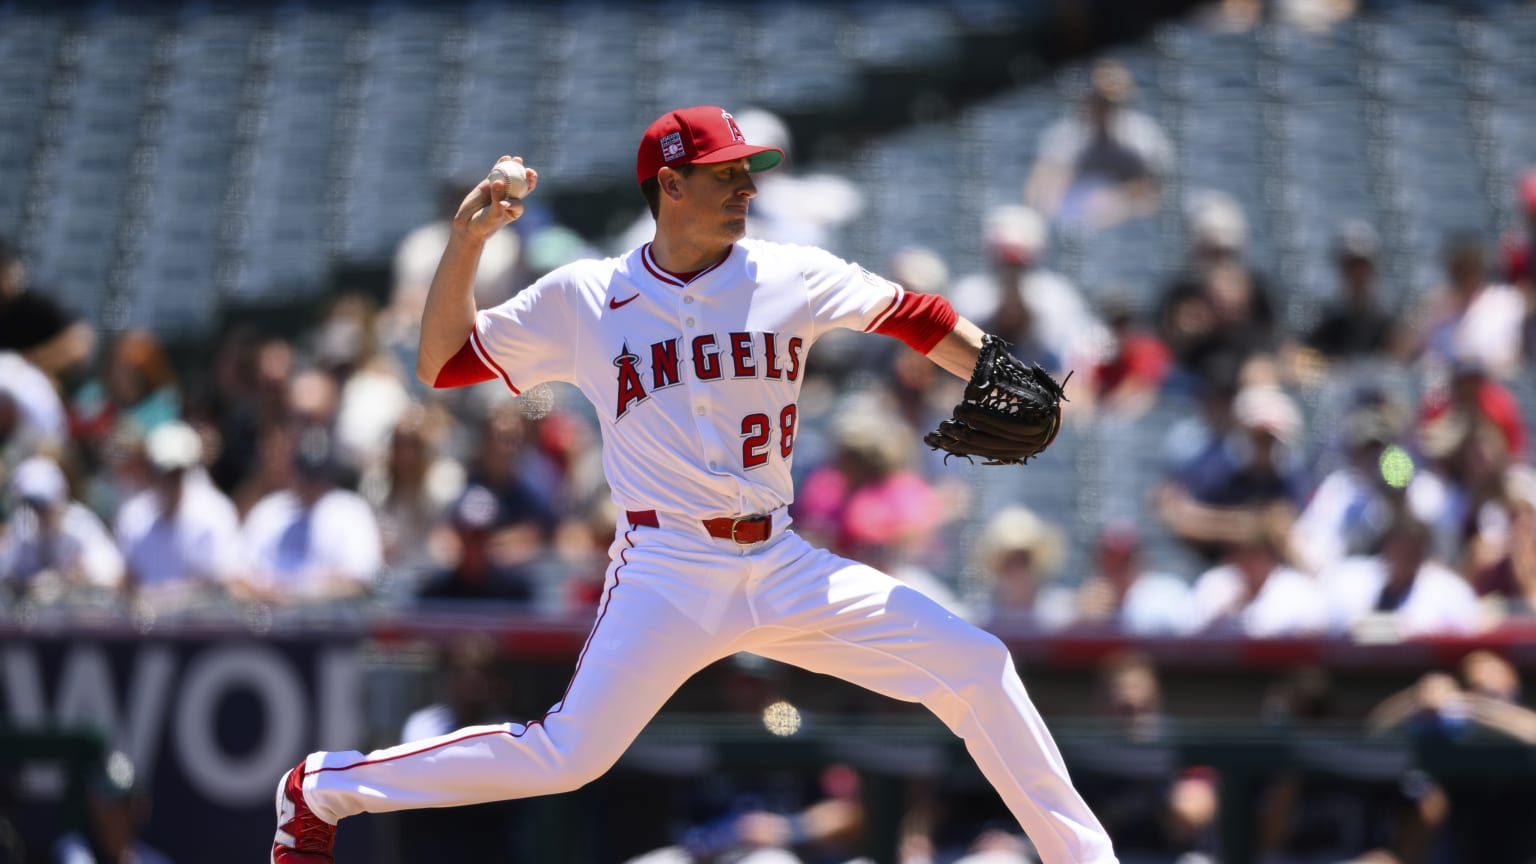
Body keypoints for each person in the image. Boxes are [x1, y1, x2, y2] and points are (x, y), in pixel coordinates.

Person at [271, 105, 1116, 863]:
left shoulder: (790, 272)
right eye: (727, 174)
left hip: (781, 562)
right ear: (670, 183)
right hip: (666, 567)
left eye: (749, 172)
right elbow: (443, 361)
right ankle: (322, 789)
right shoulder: (587, 297)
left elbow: (917, 315)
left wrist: (993, 366)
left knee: (977, 665)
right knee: (570, 756)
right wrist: (467, 245)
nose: (747, 187)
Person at [51, 752, 172, 864]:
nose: (119, 814)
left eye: (126, 803)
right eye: (116, 803)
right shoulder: (74, 849)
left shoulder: (154, 860)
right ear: (96, 806)